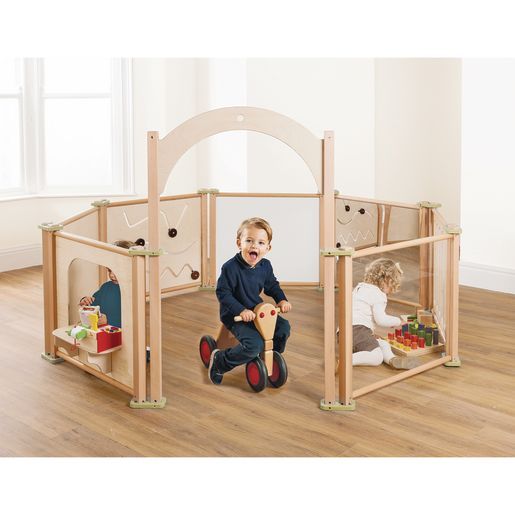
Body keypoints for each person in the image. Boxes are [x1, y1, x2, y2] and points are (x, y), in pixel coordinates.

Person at [208, 217, 292, 385]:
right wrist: (241, 310)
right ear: (239, 243)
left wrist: (282, 300)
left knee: (283, 328)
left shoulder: (265, 266)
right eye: (249, 241)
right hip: (235, 314)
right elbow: (223, 293)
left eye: (261, 243)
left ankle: (270, 355)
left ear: (268, 248)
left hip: (257, 311)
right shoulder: (230, 268)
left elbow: (272, 286)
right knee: (253, 344)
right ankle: (220, 361)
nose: (254, 246)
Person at [337, 258, 420, 370]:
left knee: (383, 344)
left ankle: (393, 360)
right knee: (376, 357)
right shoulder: (378, 294)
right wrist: (398, 322)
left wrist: (368, 333)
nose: (391, 291)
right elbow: (381, 320)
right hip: (356, 330)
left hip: (343, 332)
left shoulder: (360, 287)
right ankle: (343, 362)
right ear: (386, 280)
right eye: (392, 286)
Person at [79, 238, 150, 360]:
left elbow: (132, 321)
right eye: (109, 270)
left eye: (116, 271)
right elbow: (94, 303)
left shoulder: (132, 291)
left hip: (125, 338)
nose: (111, 275)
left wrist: (108, 320)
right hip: (107, 334)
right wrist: (86, 300)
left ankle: (143, 353)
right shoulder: (106, 287)